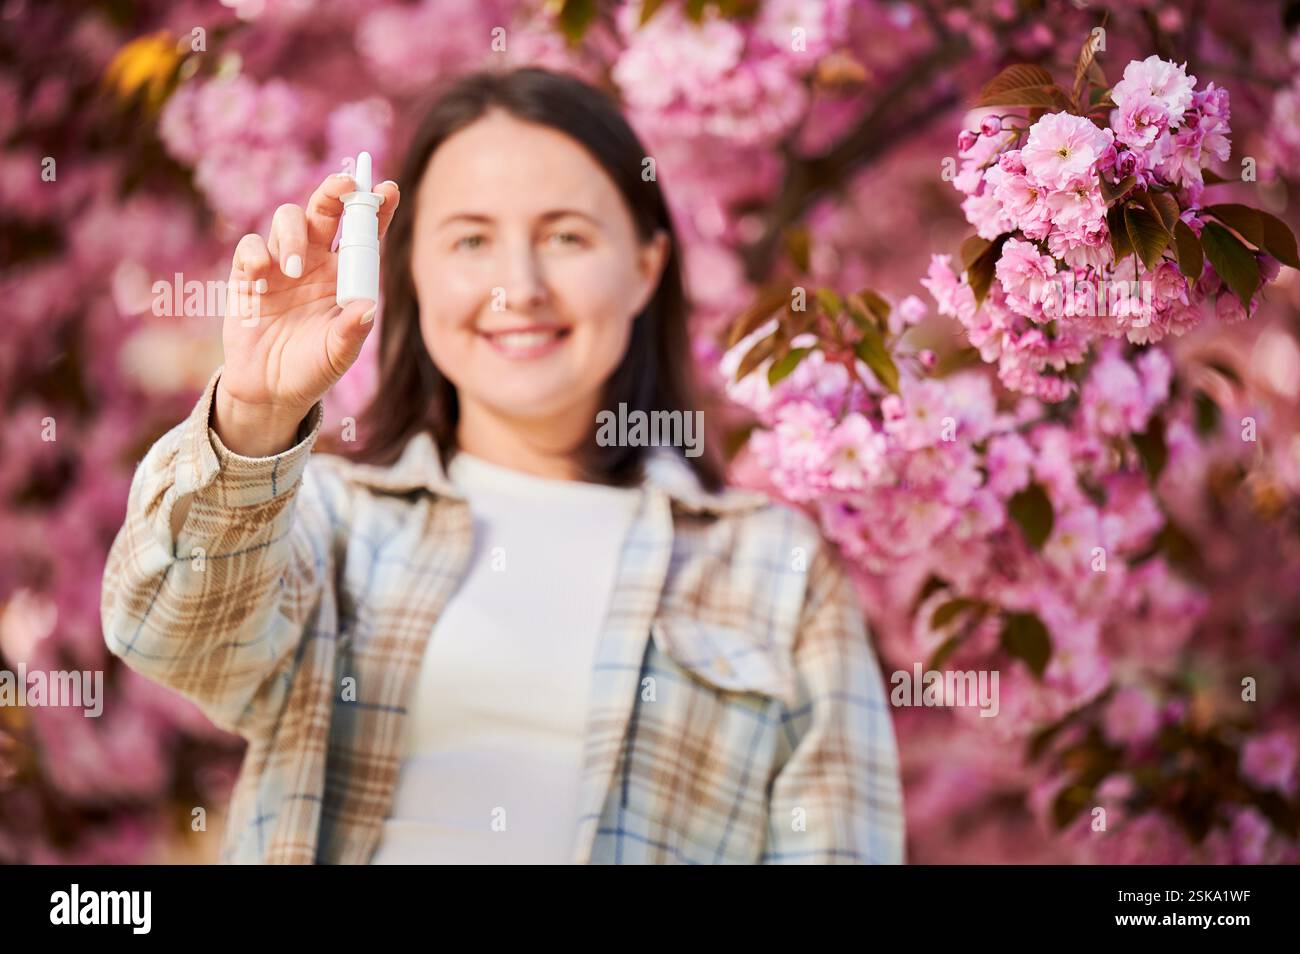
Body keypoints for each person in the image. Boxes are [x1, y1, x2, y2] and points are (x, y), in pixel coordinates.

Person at [99, 66, 904, 864]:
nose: (517, 287)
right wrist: (255, 414)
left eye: (565, 236)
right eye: (471, 240)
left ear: (646, 267)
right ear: (410, 267)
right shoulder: (330, 522)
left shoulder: (773, 569)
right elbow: (169, 632)